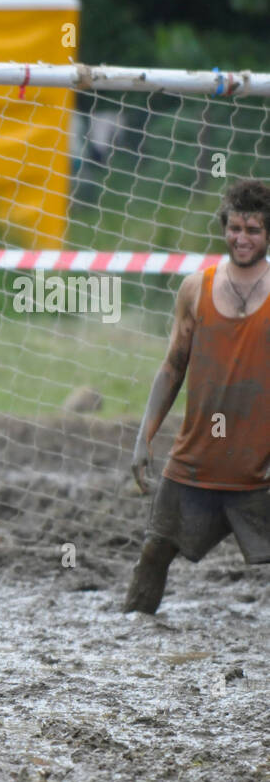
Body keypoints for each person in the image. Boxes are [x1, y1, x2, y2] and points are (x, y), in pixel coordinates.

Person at [125, 178, 270, 614]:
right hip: (196, 461)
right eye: (235, 228)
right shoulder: (195, 288)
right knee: (154, 552)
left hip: (260, 467)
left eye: (253, 230)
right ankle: (131, 632)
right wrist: (144, 435)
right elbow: (173, 366)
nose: (241, 238)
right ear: (224, 228)